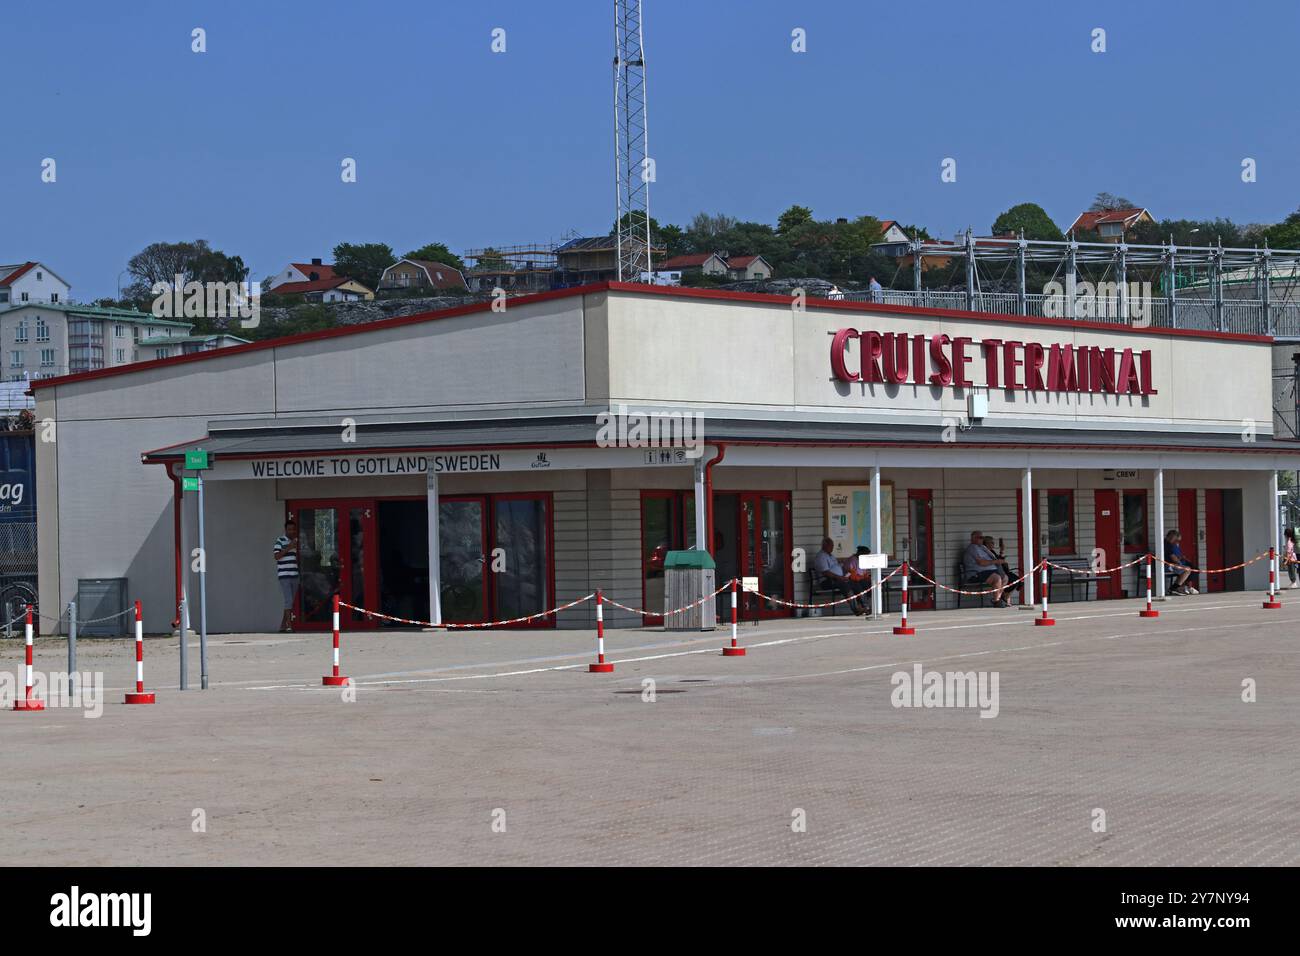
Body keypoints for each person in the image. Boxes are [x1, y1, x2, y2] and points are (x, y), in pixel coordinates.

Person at [814, 537, 870, 615]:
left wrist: (845, 576)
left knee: (855, 583)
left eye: (832, 546)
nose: (832, 548)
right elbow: (826, 572)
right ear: (824, 545)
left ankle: (865, 606)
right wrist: (840, 578)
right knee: (845, 584)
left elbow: (837, 568)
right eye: (830, 546)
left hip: (838, 579)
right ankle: (856, 609)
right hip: (827, 581)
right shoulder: (821, 556)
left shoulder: (831, 556)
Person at [962, 530, 1009, 607]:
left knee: (1005, 578)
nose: (982, 539)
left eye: (982, 537)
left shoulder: (982, 547)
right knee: (996, 578)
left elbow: (993, 558)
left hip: (988, 571)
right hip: (976, 573)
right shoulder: (972, 548)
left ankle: (997, 599)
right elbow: (981, 562)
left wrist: (1000, 558)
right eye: (980, 537)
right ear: (973, 538)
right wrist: (995, 562)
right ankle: (997, 601)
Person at [274, 518, 300, 632]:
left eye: (293, 529)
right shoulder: (280, 541)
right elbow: (276, 556)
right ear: (285, 530)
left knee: (290, 601)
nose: (291, 531)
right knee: (288, 600)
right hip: (284, 576)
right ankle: (289, 625)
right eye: (289, 529)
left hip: (294, 574)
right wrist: (289, 547)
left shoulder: (296, 541)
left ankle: (282, 625)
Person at [1164, 529, 1198, 595]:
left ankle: (1176, 588)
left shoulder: (1168, 544)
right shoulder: (1167, 545)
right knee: (1187, 569)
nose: (1176, 542)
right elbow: (1174, 558)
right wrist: (1180, 563)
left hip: (1170, 564)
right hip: (1167, 565)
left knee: (1191, 568)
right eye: (1175, 540)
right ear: (1171, 537)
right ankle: (1176, 588)